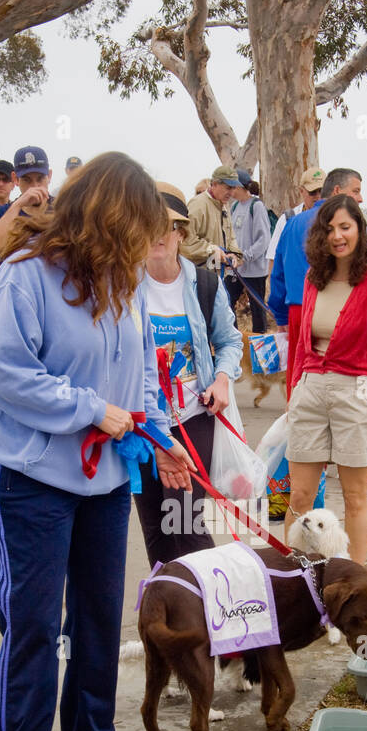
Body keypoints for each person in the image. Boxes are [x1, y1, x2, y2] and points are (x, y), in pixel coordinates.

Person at [0, 152, 194, 731]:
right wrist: (92, 411)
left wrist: (162, 436)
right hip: (30, 480)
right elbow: (7, 375)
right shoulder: (24, 278)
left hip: (104, 483)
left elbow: (143, 378)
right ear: (106, 214)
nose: (146, 243)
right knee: (33, 628)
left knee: (99, 619)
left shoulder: (122, 282)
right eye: (139, 226)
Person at [287, 195, 367, 562]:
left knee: (355, 497)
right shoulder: (313, 276)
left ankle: (354, 576)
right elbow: (304, 341)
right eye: (329, 229)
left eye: (345, 227)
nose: (337, 236)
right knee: (299, 498)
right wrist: (295, 390)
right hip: (311, 389)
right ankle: (294, 575)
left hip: (357, 389)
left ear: (359, 229)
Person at [135, 182, 242, 565]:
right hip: (143, 421)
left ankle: (216, 597)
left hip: (193, 416)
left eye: (165, 226)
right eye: (146, 225)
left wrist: (223, 379)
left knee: (182, 516)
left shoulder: (204, 284)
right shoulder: (124, 284)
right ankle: (166, 610)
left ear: (180, 232)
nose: (155, 236)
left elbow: (230, 341)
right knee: (153, 522)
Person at [270, 167, 364, 391]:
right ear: (338, 191)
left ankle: (297, 417)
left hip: (297, 309)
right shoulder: (352, 226)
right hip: (338, 310)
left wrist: (280, 315)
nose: (360, 198)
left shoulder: (292, 223)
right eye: (356, 191)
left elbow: (278, 274)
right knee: (338, 375)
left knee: (298, 373)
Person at [0, 145, 53, 260]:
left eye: (40, 179)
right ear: (15, 179)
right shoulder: (4, 212)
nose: (34, 187)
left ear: (49, 176)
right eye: (27, 180)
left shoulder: (62, 209)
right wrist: (18, 205)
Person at [224, 169, 272, 335]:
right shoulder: (235, 206)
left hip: (255, 270)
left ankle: (260, 344)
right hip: (236, 269)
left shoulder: (256, 206)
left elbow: (264, 239)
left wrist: (246, 256)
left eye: (232, 187)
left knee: (258, 310)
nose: (230, 191)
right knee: (227, 302)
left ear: (240, 187)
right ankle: (235, 339)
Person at [182, 166, 243, 269]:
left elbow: (230, 237)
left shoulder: (223, 205)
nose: (231, 193)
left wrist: (234, 255)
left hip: (217, 274)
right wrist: (211, 249)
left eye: (234, 188)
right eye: (228, 188)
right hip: (198, 275)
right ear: (214, 184)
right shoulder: (198, 204)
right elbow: (186, 242)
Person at [267, 167, 325, 269]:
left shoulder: (335, 218)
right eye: (313, 192)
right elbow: (273, 259)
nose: (318, 197)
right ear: (301, 191)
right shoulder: (287, 219)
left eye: (322, 191)